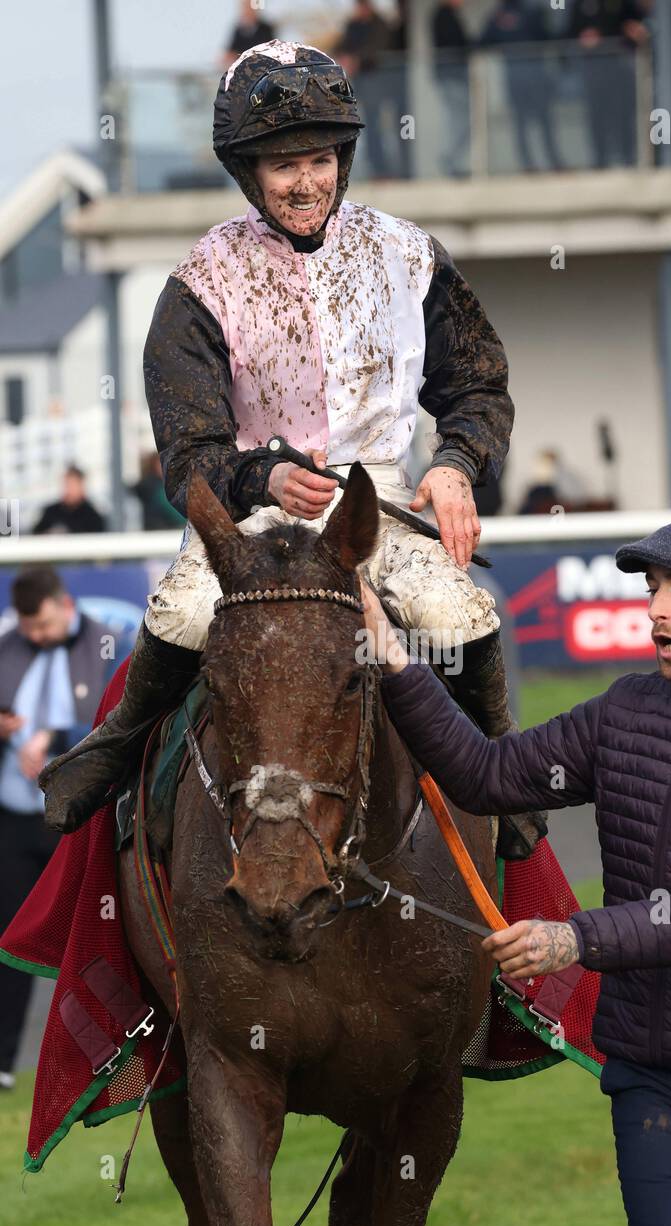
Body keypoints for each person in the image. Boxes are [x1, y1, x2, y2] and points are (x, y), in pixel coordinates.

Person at [38, 39, 547, 863]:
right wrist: (263, 473)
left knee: (458, 614)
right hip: (250, 512)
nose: (304, 182)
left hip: (378, 502)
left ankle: (504, 780)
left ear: (341, 158)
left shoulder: (410, 254)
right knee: (182, 612)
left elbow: (478, 386)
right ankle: (119, 748)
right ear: (248, 173)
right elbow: (188, 453)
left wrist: (456, 465)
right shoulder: (199, 280)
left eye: (317, 159)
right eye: (281, 166)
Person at [365, 508, 671, 1226]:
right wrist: (398, 664)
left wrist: (575, 939)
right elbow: (487, 777)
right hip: (655, 1080)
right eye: (651, 590)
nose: (655, 610)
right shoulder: (623, 709)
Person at [0, 568, 112, 1090]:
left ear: (64, 604)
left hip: (80, 826)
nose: (39, 637)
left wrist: (54, 734)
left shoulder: (111, 640)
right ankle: (3, 1064)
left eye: (44, 625)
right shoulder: (7, 649)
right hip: (16, 823)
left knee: (96, 943)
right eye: (31, 630)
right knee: (8, 942)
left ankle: (114, 1061)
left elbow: (118, 718)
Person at [479, 0, 565, 172]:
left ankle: (542, 164)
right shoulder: (508, 14)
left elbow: (483, 41)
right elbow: (547, 36)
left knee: (534, 123)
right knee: (532, 123)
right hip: (524, 78)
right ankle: (538, 164)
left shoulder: (510, 13)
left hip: (529, 77)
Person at [568, 0, 650, 168]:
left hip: (619, 69)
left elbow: (639, 26)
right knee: (597, 117)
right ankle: (600, 160)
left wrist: (633, 33)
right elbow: (569, 32)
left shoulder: (623, 4)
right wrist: (583, 38)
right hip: (593, 71)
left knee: (622, 114)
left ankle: (628, 157)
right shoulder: (579, 4)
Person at [336, 1, 394, 177]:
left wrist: (356, 60)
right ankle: (369, 170)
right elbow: (342, 46)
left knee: (377, 127)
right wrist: (342, 58)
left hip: (376, 83)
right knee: (361, 128)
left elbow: (378, 50)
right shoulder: (353, 25)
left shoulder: (380, 25)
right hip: (356, 84)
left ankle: (382, 171)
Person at [431, 0, 471, 178]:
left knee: (461, 122)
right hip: (452, 77)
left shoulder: (446, 15)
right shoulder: (444, 15)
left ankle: (452, 161)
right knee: (461, 122)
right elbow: (456, 43)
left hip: (453, 77)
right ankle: (450, 161)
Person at [32, 466, 106, 535]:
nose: (70, 489)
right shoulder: (50, 512)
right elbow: (35, 535)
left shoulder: (92, 516)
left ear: (81, 486)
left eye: (73, 485)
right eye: (67, 484)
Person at [130, 451, 185, 531]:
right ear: (154, 466)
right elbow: (178, 516)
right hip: (161, 531)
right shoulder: (157, 488)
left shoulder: (151, 485)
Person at [222, 0, 276, 69]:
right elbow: (231, 51)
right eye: (245, 7)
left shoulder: (266, 29)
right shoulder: (239, 29)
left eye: (249, 7)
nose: (246, 11)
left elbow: (268, 52)